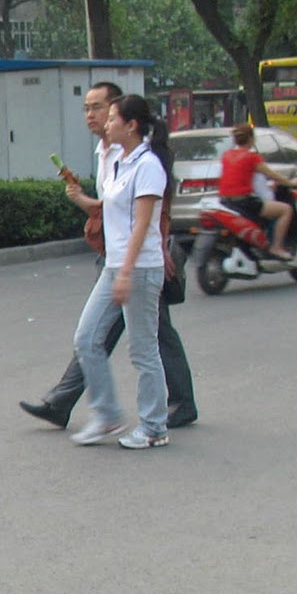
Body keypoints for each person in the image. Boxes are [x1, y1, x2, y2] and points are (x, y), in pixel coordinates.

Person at [19, 83, 197, 429]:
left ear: (124, 118)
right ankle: (78, 403)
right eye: (87, 108)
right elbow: (110, 206)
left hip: (135, 262)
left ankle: (150, 417)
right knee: (100, 336)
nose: (92, 115)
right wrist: (82, 202)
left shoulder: (136, 157)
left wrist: (152, 252)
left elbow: (150, 210)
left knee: (140, 340)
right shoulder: (108, 153)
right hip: (114, 257)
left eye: (100, 109)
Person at [65, 94, 173, 449]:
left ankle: (155, 427)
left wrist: (126, 272)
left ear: (132, 125)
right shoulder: (118, 163)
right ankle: (108, 413)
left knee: (143, 350)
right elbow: (109, 207)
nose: (106, 123)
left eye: (112, 118)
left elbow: (142, 226)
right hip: (116, 266)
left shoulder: (148, 166)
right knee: (86, 338)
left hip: (139, 269)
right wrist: (82, 201)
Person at [218, 123, 297, 260]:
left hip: (225, 201)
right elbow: (272, 175)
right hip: (244, 202)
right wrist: (291, 183)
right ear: (251, 139)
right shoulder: (252, 157)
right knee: (286, 210)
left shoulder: (226, 155)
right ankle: (277, 247)